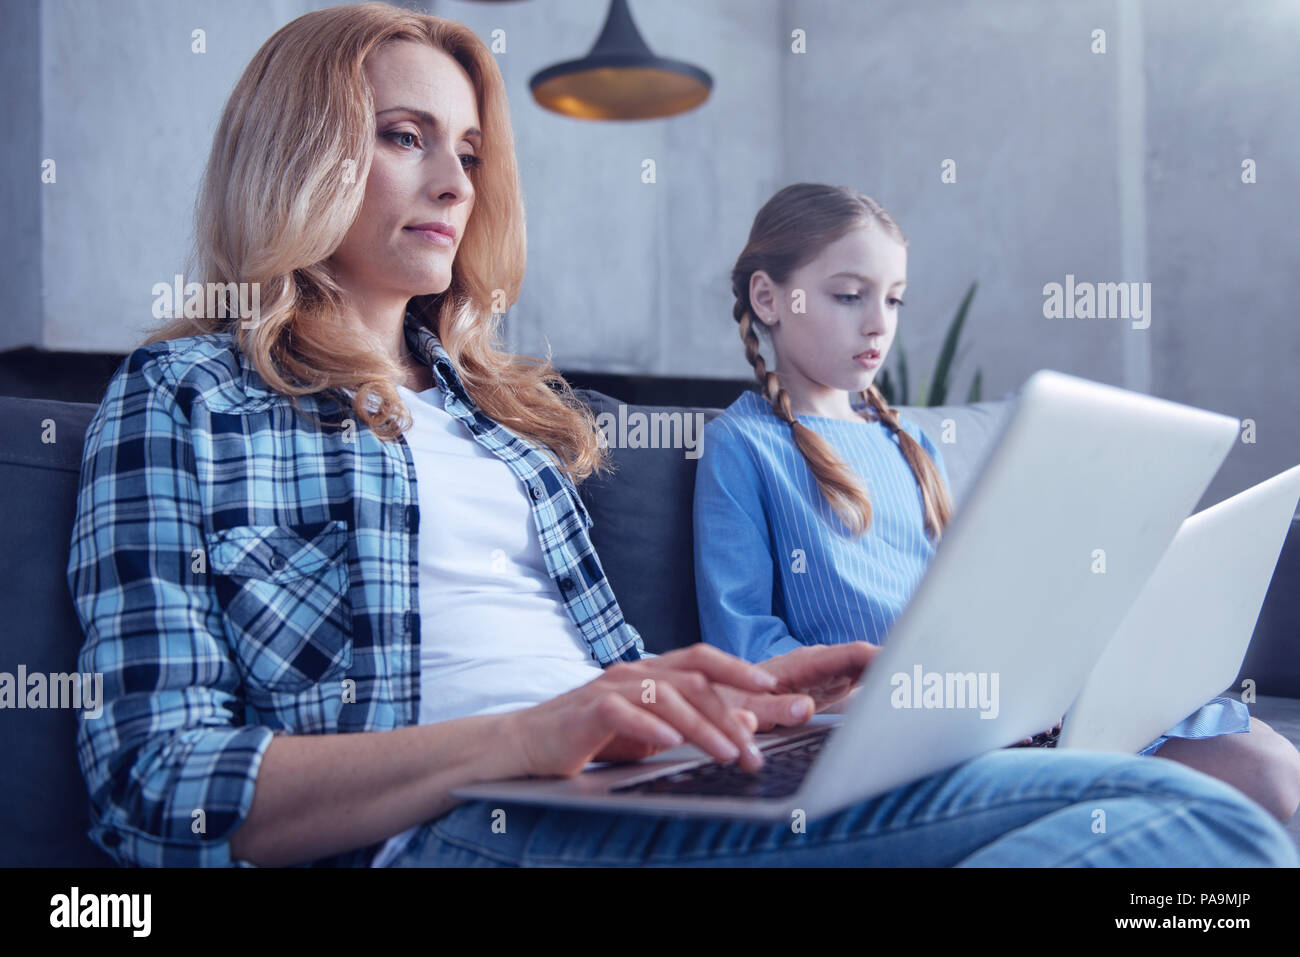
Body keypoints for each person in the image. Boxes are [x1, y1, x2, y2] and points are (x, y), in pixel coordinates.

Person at [66, 2, 1297, 868]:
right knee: (1192, 832)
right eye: (404, 136)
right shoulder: (184, 399)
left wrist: (748, 707)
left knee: (1183, 808)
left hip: (615, 802)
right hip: (447, 832)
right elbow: (151, 792)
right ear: (298, 152)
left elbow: (601, 686)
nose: (454, 182)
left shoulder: (504, 426)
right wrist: (528, 738)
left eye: (471, 152)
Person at [691, 183, 1300, 823]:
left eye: (894, 300)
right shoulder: (743, 445)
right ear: (768, 298)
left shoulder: (910, 442)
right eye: (849, 295)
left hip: (1005, 704)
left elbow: (971, 600)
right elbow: (745, 653)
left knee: (1271, 772)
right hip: (912, 731)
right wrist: (883, 698)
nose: (878, 323)